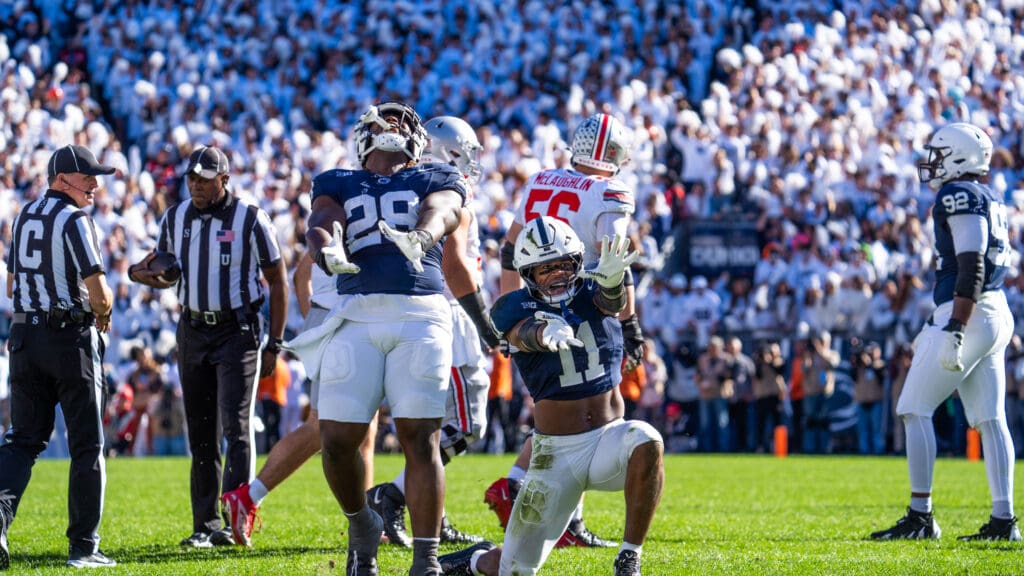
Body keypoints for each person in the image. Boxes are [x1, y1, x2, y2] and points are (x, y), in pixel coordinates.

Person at [286, 102, 466, 575]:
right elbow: (321, 221)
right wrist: (328, 250)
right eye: (385, 119)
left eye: (404, 121)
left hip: (420, 313)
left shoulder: (435, 177)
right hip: (355, 313)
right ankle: (361, 522)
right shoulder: (336, 180)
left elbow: (443, 210)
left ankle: (425, 559)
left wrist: (422, 238)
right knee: (337, 439)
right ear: (362, 133)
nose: (394, 126)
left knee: (420, 437)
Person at [439, 216, 663, 576]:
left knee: (647, 438)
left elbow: (611, 301)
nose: (557, 274)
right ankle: (476, 560)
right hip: (554, 455)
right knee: (513, 570)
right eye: (545, 269)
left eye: (563, 264)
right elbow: (517, 334)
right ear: (528, 273)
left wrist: (611, 282)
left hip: (608, 437)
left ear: (577, 261)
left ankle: (628, 556)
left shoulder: (594, 288)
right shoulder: (511, 306)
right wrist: (544, 333)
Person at [486, 113, 639, 547]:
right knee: (593, 405)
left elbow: (510, 250)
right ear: (612, 155)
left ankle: (552, 507)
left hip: (534, 300)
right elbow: (614, 263)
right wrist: (629, 324)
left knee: (561, 402)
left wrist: (512, 312)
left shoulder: (542, 179)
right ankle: (525, 488)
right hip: (582, 304)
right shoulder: (610, 191)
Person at [128, 145, 288, 548]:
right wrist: (144, 275)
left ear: (224, 179)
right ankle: (206, 524)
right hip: (193, 327)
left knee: (236, 426)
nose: (196, 185)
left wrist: (276, 342)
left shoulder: (250, 218)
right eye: (192, 178)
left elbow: (278, 278)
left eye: (204, 178)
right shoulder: (174, 217)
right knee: (200, 431)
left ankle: (239, 514)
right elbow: (153, 267)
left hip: (238, 329)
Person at [872, 123, 1020, 541]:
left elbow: (972, 263)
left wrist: (955, 324)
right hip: (994, 310)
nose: (932, 162)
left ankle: (920, 516)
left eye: (939, 154)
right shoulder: (989, 196)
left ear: (958, 156)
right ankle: (1003, 521)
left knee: (913, 408)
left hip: (969, 312)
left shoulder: (960, 195)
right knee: (991, 419)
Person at [365, 115, 497, 547]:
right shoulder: (444, 187)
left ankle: (430, 512)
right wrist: (484, 322)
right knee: (465, 423)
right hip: (451, 315)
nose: (472, 161)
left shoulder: (411, 184)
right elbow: (456, 263)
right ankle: (394, 495)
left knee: (435, 425)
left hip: (426, 312)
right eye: (466, 152)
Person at [0, 145, 116, 569]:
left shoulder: (24, 214)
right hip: (69, 338)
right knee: (87, 444)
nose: (95, 186)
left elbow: (13, 282)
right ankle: (84, 547)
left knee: (22, 439)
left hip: (24, 336)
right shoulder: (75, 220)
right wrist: (103, 311)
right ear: (64, 177)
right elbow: (100, 293)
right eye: (89, 177)